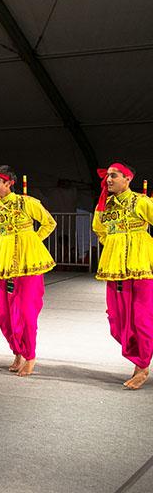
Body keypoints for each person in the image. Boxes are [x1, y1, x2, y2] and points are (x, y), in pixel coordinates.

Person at [0, 165, 56, 377]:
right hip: (2, 262)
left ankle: (30, 355)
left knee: (26, 312)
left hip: (27, 263)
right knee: (5, 316)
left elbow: (49, 223)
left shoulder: (26, 202)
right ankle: (17, 351)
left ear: (9, 183)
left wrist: (33, 242)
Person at [92, 162, 153, 390]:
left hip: (141, 267)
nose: (108, 180)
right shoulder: (104, 204)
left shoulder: (141, 201)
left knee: (142, 318)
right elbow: (99, 229)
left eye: (114, 176)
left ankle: (142, 366)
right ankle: (139, 358)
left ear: (127, 179)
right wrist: (115, 245)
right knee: (117, 320)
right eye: (107, 176)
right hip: (115, 268)